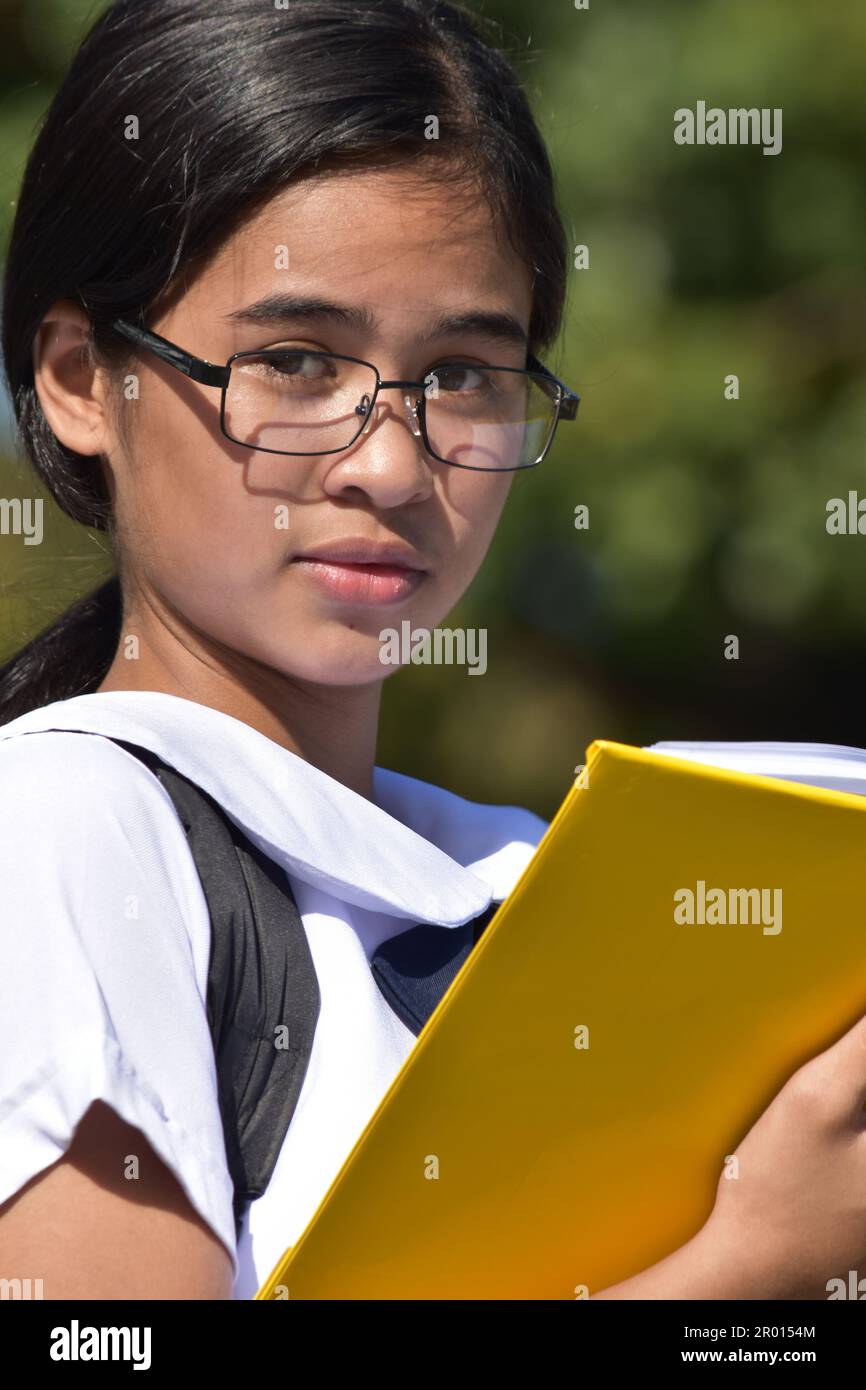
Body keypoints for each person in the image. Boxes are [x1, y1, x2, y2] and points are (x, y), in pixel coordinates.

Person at [0, 0, 863, 1301]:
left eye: (464, 374)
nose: (393, 463)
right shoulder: (68, 829)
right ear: (78, 379)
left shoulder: (527, 875)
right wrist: (743, 1261)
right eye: (294, 360)